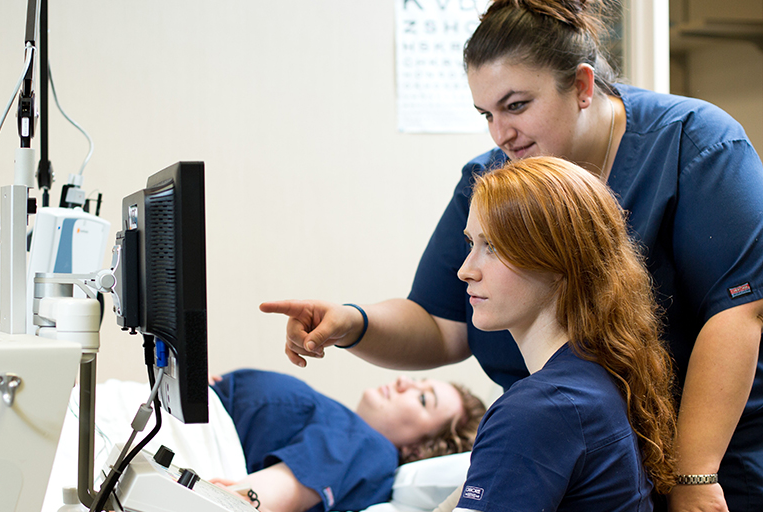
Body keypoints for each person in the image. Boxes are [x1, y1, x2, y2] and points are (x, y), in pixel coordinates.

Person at [260, 1, 763, 511]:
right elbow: (442, 320)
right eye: (486, 114)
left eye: (516, 105)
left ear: (583, 87)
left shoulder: (694, 144)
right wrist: (354, 323)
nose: (500, 133)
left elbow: (738, 313)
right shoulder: (493, 178)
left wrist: (693, 479)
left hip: (703, 457)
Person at [450, 156, 676, 510]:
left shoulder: (539, 409)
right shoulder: (595, 376)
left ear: (558, 261)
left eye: (492, 247)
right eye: (471, 243)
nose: (467, 270)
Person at [210, 369, 485, 512]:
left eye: (423, 398)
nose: (403, 381)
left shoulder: (370, 447)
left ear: (419, 448)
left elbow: (245, 500)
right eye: (418, 381)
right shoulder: (349, 433)